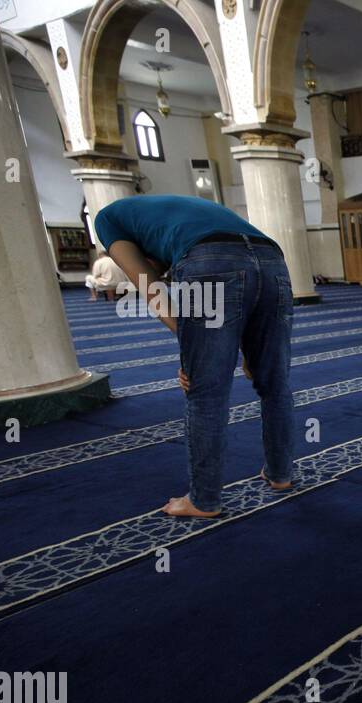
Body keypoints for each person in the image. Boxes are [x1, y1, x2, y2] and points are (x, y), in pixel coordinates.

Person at [95, 194, 295, 518]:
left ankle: (203, 500)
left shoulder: (107, 219)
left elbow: (149, 287)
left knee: (206, 392)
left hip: (208, 261)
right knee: (274, 381)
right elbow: (241, 279)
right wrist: (247, 353)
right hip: (273, 260)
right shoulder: (175, 212)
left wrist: (195, 352)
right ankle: (280, 474)